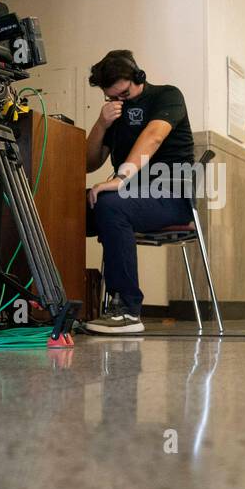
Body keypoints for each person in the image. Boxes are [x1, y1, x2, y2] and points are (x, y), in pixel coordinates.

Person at [83, 50, 196, 334]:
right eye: (112, 97)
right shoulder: (114, 114)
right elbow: (88, 162)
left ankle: (127, 310)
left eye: (124, 94)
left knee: (110, 203)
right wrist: (101, 124)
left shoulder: (167, 96)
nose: (119, 101)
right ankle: (65, 303)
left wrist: (121, 177)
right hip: (130, 197)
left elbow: (154, 136)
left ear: (138, 76)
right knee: (71, 206)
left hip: (170, 196)